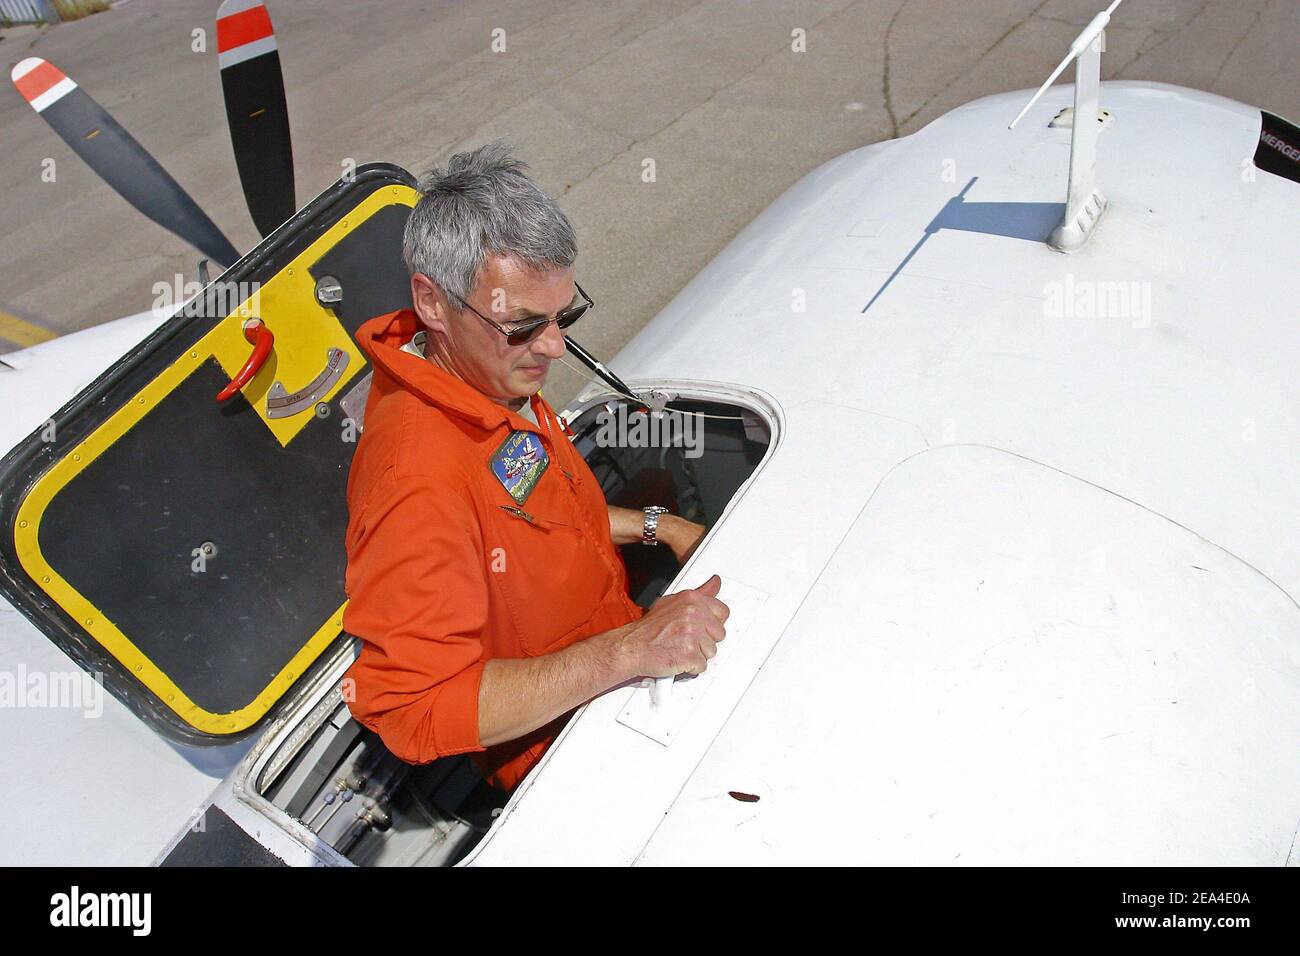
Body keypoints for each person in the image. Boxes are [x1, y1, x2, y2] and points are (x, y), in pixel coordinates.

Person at [342, 143, 729, 792]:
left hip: (622, 665)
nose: (552, 348)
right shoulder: (414, 483)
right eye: (523, 326)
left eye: (562, 317)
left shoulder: (486, 373)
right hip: (567, 752)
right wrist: (633, 650)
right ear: (433, 304)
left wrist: (659, 526)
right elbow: (412, 709)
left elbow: (538, 519)